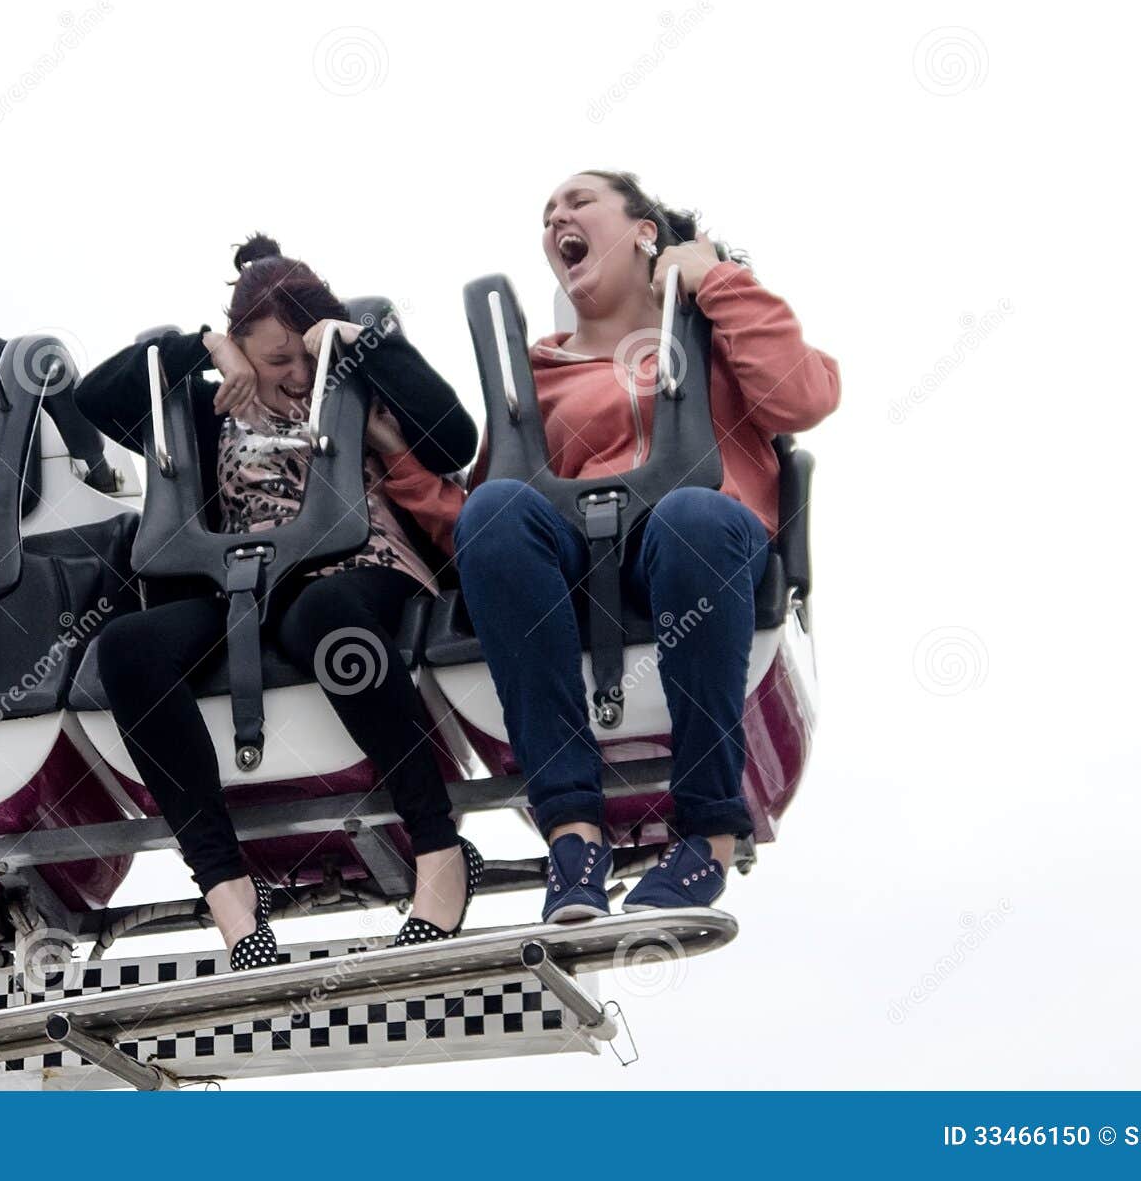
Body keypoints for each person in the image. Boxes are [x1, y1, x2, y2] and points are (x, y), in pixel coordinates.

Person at [76, 235, 481, 970]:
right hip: (246, 590)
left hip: (360, 566)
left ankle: (440, 848)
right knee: (128, 647)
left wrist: (359, 343)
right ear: (242, 351)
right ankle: (228, 886)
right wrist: (206, 349)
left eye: (304, 355)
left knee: (323, 615)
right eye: (276, 360)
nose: (297, 375)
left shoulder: (352, 380)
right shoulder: (209, 407)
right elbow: (96, 397)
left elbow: (454, 438)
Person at [451, 170, 841, 923]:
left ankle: (708, 832)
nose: (557, 216)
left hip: (697, 553)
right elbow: (477, 520)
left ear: (643, 231)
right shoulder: (534, 372)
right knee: (495, 509)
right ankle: (573, 834)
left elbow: (806, 396)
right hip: (579, 573)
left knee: (692, 513)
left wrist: (715, 279)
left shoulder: (715, 337)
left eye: (579, 202)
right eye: (547, 214)